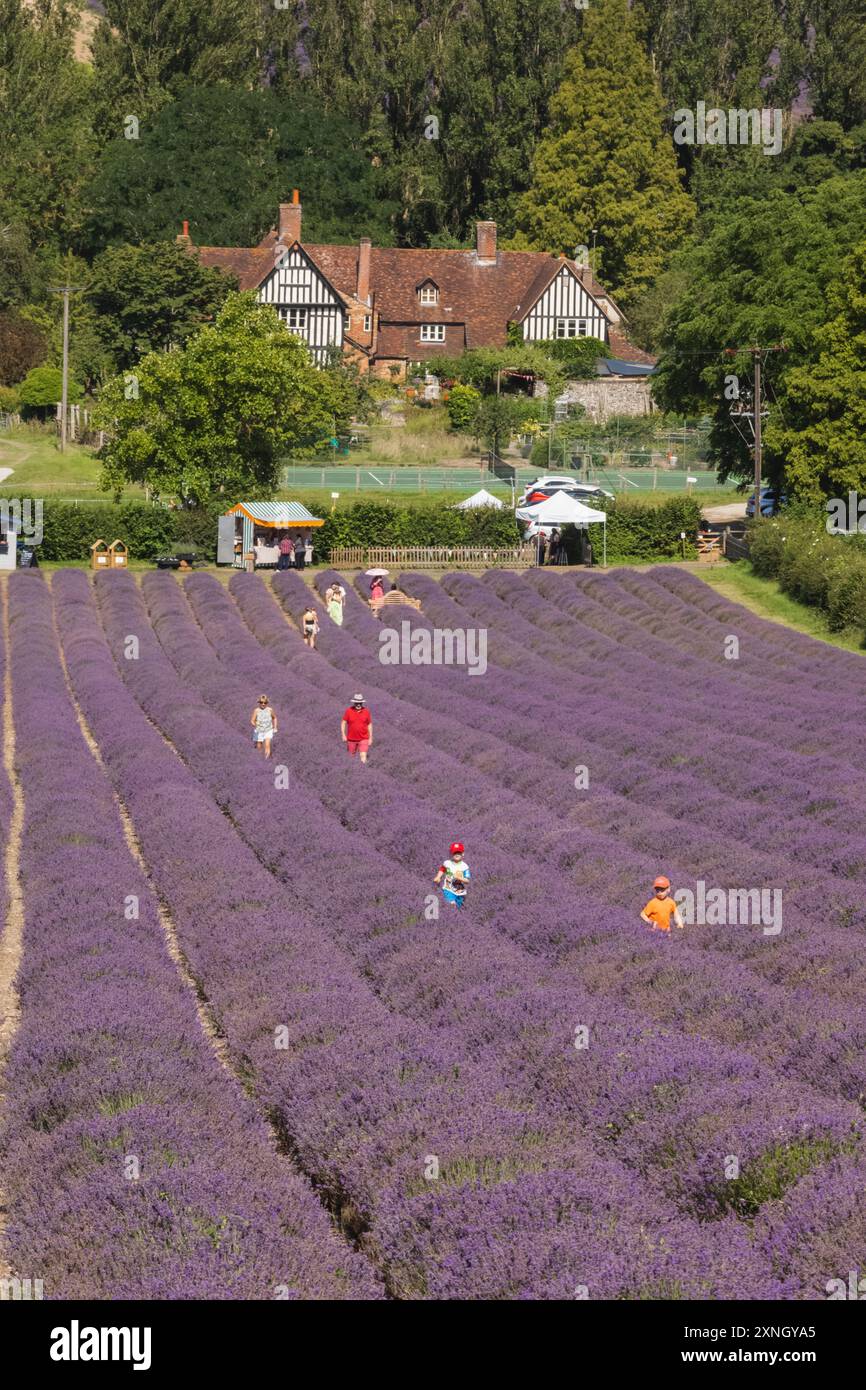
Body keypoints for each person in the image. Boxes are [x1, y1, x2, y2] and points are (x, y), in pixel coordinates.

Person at [434, 842, 470, 908]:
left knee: (458, 907)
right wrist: (438, 877)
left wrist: (460, 878)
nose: (457, 854)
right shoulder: (447, 863)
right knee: (452, 904)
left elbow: (467, 881)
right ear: (451, 854)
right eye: (455, 852)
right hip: (448, 889)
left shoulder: (465, 867)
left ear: (463, 854)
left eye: (459, 853)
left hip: (460, 891)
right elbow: (442, 869)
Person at [341, 693, 372, 763]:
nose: (358, 705)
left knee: (363, 755)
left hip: (363, 738)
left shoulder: (366, 712)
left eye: (360, 703)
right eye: (357, 703)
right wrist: (343, 734)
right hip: (351, 739)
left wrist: (370, 738)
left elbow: (369, 724)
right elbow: (343, 722)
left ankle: (364, 770)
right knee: (350, 757)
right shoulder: (348, 711)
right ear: (354, 703)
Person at [251, 694, 277, 759]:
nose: (263, 704)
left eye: (265, 703)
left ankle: (266, 760)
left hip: (268, 730)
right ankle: (259, 759)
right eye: (261, 702)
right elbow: (252, 720)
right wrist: (256, 725)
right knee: (259, 746)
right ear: (259, 703)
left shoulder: (270, 710)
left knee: (267, 745)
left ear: (267, 703)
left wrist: (275, 727)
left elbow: (275, 718)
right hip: (259, 731)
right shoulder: (256, 710)